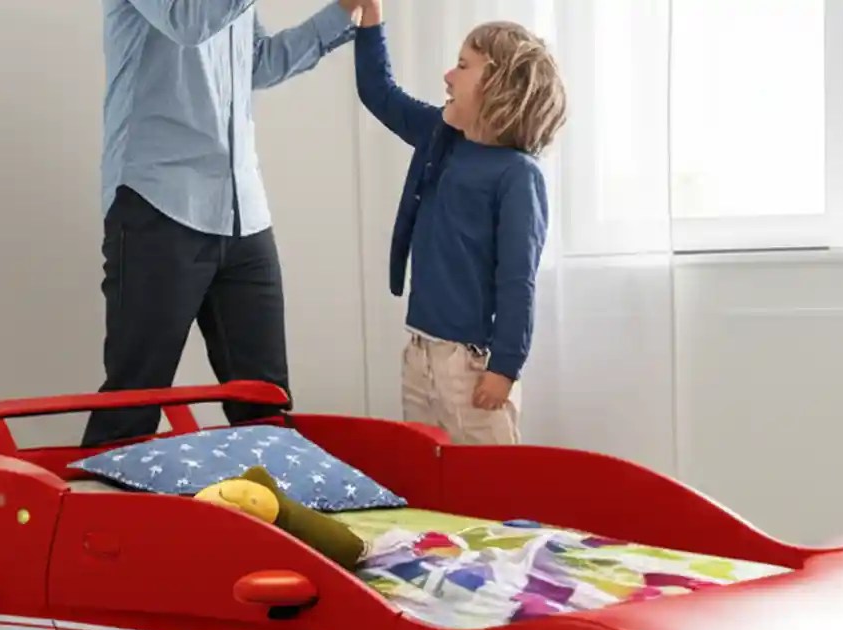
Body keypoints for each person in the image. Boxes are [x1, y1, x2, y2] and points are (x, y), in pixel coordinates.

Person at [82, 0, 365, 447]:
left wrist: (343, 11)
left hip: (243, 214)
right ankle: (96, 516)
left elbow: (257, 62)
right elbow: (188, 21)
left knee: (265, 406)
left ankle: (270, 516)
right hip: (157, 204)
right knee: (131, 405)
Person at [353, 2, 567, 445]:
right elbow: (379, 92)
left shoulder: (516, 176)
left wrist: (504, 367)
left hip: (470, 366)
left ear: (500, 86)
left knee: (490, 489)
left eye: (463, 66)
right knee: (431, 480)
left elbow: (516, 280)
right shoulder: (440, 137)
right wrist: (371, 16)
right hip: (420, 352)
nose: (448, 76)